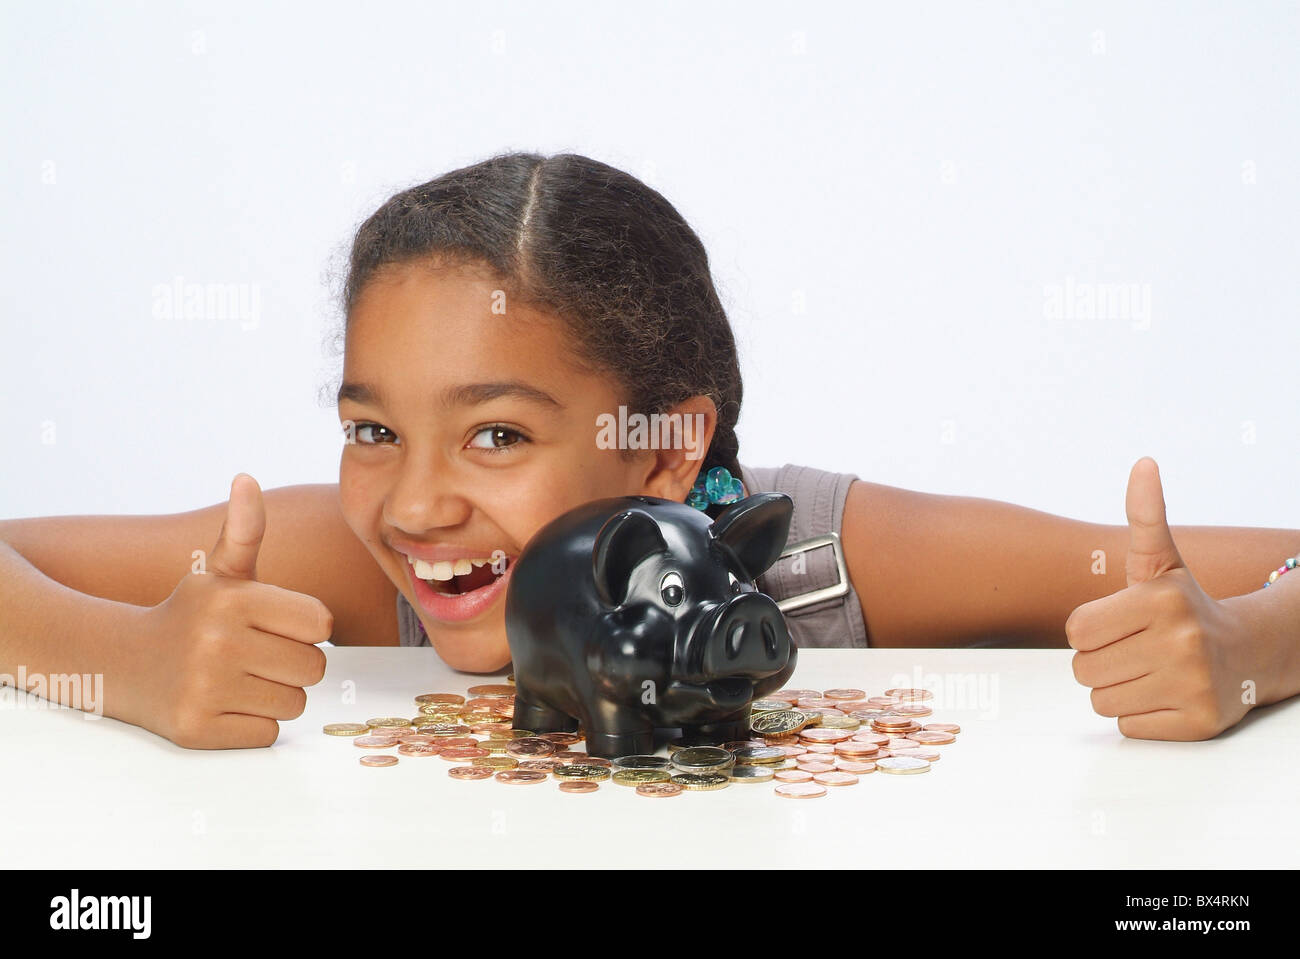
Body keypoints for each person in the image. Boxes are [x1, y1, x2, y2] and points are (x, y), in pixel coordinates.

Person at [3, 152, 1298, 750]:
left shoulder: (822, 560)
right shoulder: (340, 564)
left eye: (497, 432)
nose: (414, 501)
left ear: (669, 452)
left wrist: (1247, 653)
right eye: (373, 431)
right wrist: (120, 660)